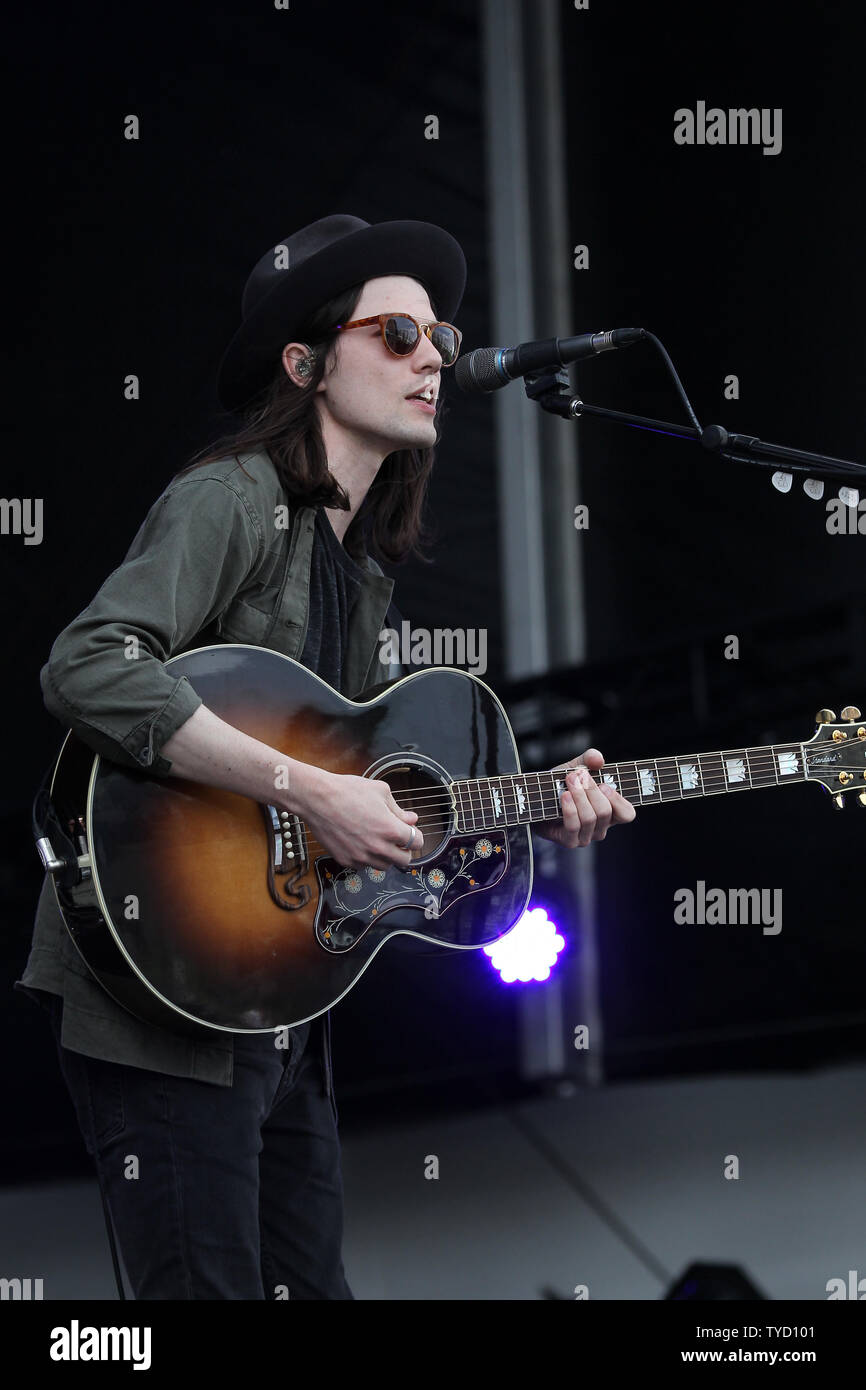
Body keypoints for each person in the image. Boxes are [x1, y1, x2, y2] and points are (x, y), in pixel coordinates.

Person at [17, 214, 636, 1301]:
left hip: (279, 1006)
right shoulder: (231, 499)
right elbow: (88, 664)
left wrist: (533, 806)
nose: (435, 355)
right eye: (397, 332)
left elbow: (369, 808)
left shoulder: (357, 569)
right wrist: (312, 791)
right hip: (166, 999)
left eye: (438, 332)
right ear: (305, 364)